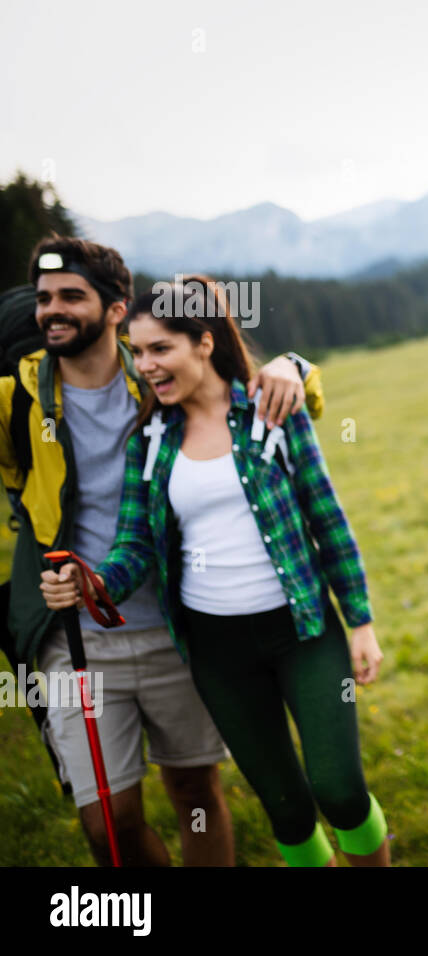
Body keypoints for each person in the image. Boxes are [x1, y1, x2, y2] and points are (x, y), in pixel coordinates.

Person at [40, 275, 388, 867]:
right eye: (136, 350)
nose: (144, 365)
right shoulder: (149, 438)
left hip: (303, 631)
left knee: (339, 790)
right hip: (217, 650)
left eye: (158, 349)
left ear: (203, 343)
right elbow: (134, 548)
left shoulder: (272, 410)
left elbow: (327, 518)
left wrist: (359, 622)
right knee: (286, 807)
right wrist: (91, 584)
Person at [5, 237, 320, 866]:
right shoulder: (18, 399)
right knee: (107, 825)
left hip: (178, 624)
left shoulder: (157, 376)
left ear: (117, 308)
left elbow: (284, 398)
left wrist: (295, 364)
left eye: (72, 296)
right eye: (43, 299)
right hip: (74, 637)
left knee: (193, 787)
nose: (52, 311)